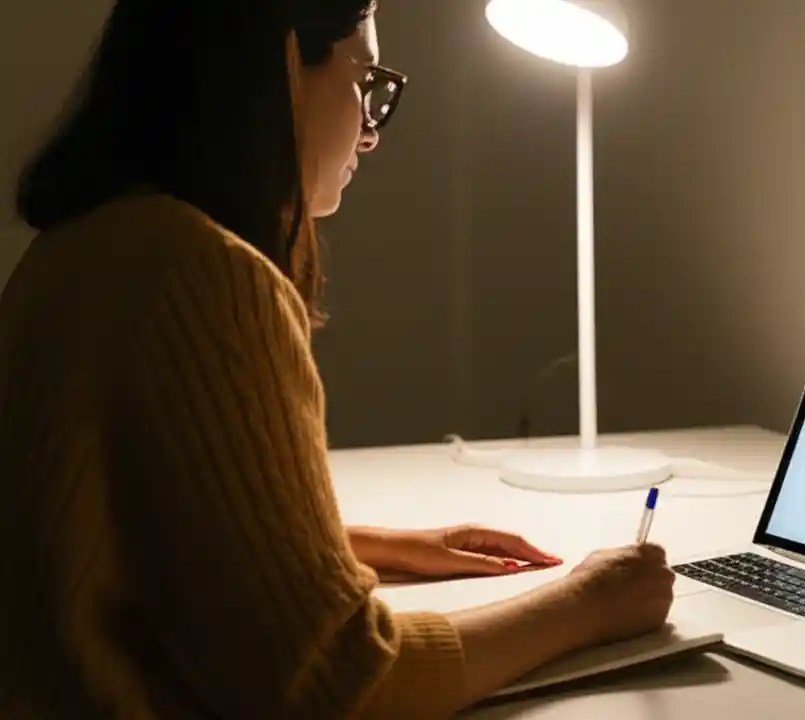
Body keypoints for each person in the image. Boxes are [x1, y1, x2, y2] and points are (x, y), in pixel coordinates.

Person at [0, 1, 674, 717]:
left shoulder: (79, 247)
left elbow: (132, 544)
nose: (371, 133)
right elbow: (338, 684)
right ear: (288, 65)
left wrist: (363, 547)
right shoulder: (201, 274)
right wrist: (589, 601)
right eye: (366, 83)